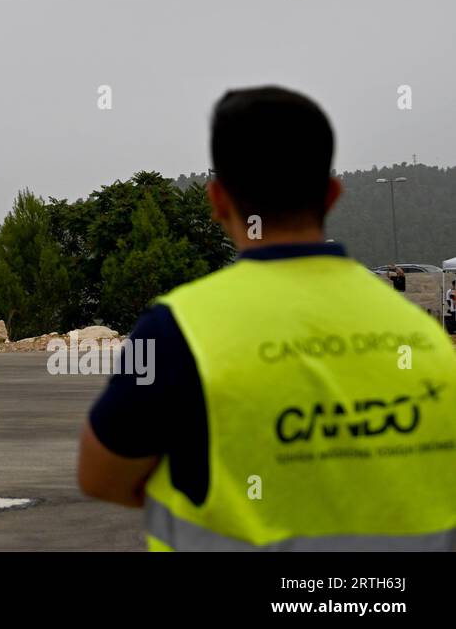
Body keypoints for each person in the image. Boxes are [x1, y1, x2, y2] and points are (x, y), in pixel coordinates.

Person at [77, 86, 456, 551]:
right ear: (332, 194)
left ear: (217, 200)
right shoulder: (424, 336)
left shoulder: (177, 331)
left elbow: (101, 476)